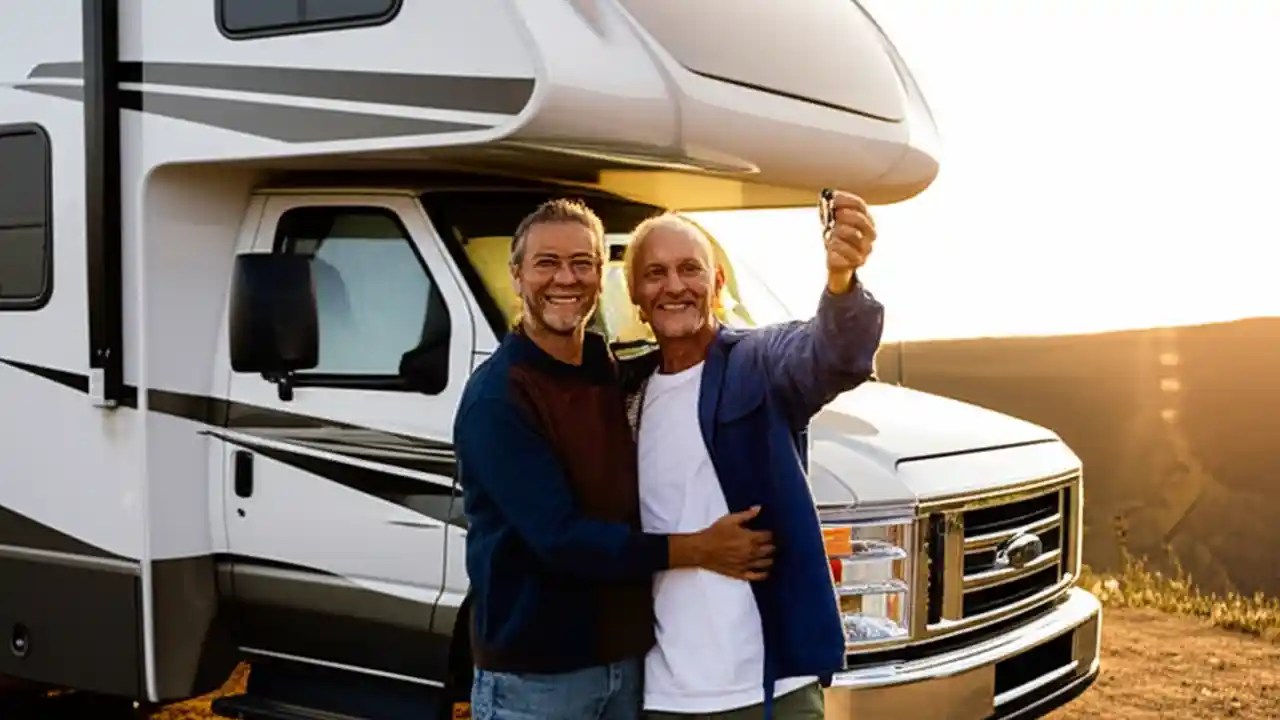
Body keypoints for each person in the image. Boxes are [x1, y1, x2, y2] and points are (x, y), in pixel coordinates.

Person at [453, 198, 777, 720]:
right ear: (516, 276)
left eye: (583, 263)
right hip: (538, 680)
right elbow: (561, 539)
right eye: (547, 263)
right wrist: (697, 549)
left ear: (601, 280)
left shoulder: (604, 369)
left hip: (627, 668)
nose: (567, 278)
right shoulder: (498, 399)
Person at [620, 191, 885, 720]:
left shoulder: (758, 363)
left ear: (717, 284)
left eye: (690, 269)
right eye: (655, 273)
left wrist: (840, 282)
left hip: (769, 689)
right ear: (636, 294)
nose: (674, 286)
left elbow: (830, 355)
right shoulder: (626, 393)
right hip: (660, 695)